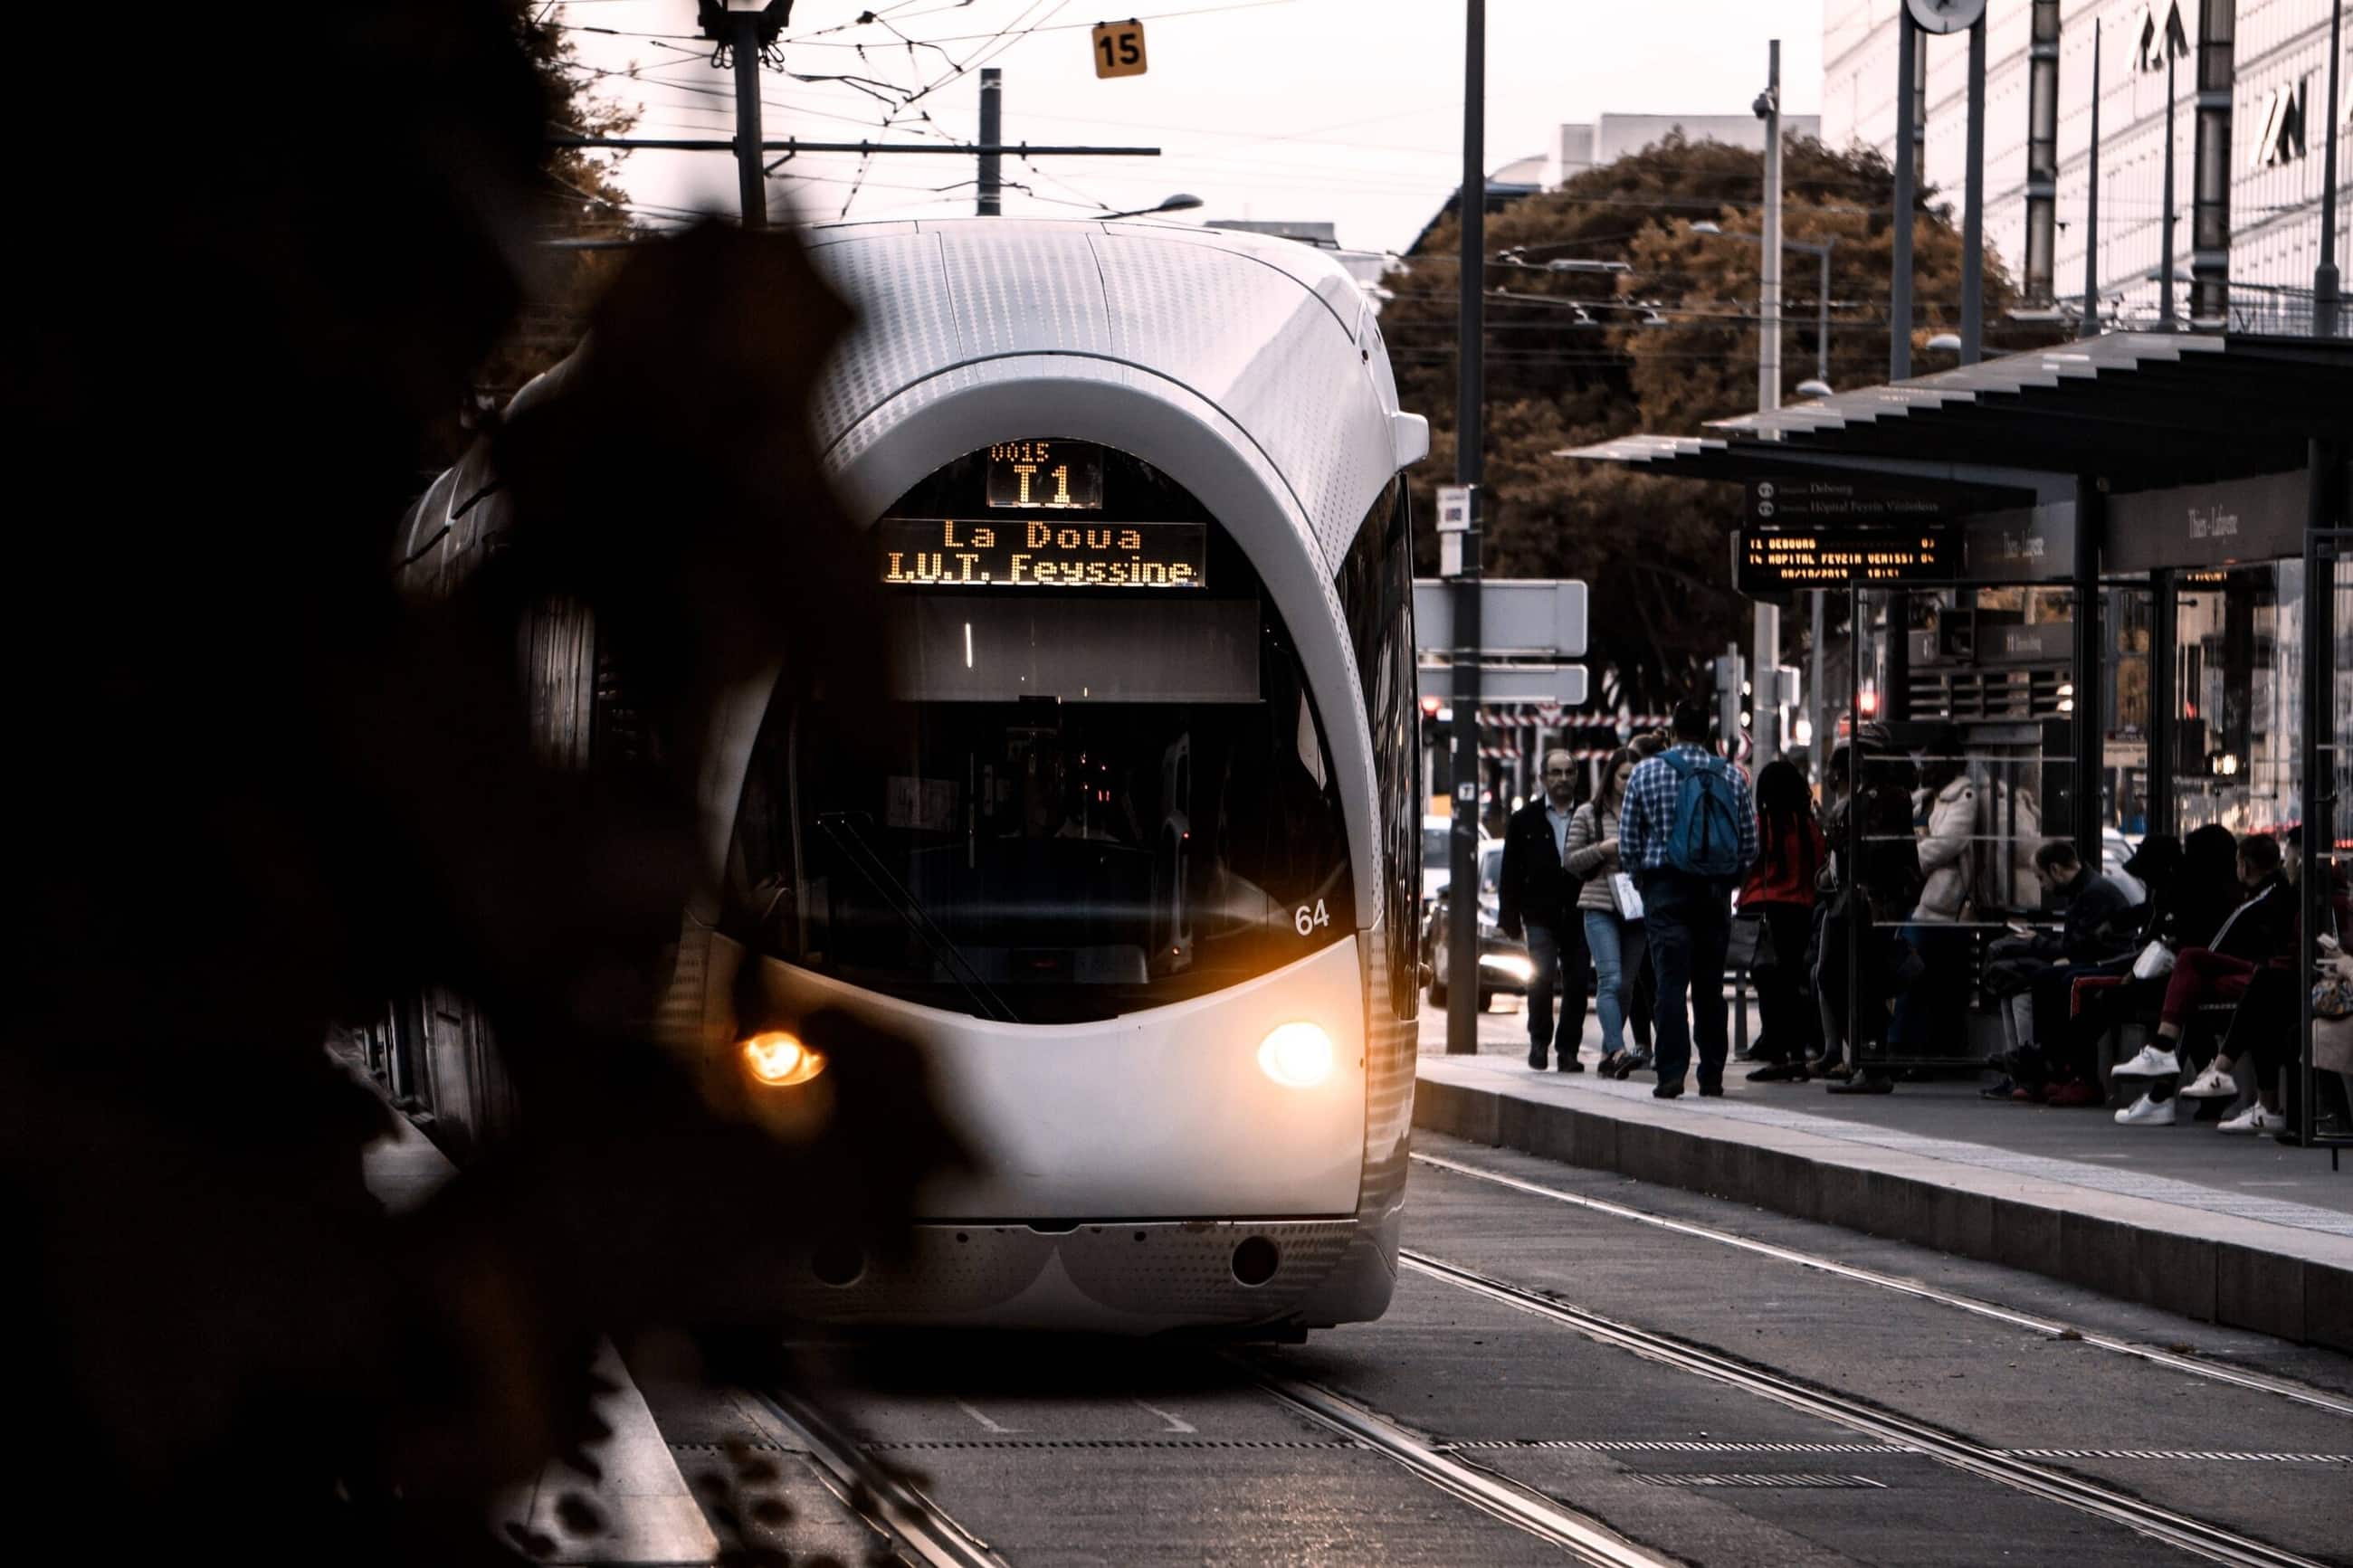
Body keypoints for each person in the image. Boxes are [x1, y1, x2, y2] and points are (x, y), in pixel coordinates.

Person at [1618, 702, 1758, 1098]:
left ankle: (1672, 1074)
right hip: (1714, 892)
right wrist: (1729, 878)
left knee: (1670, 985)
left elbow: (1629, 841)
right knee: (1711, 987)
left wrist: (1642, 880)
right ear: (1709, 731)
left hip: (1665, 890)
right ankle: (1712, 1075)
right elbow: (1750, 842)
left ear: (1674, 730)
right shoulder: (1732, 776)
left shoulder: (1646, 772)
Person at [2115, 832, 2296, 1126]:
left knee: (2189, 967)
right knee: (2189, 991)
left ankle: (2161, 1071)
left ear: (2245, 865)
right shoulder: (2265, 894)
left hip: (2260, 978)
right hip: (2258, 976)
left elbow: (2215, 950)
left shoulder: (2255, 901)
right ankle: (2165, 1090)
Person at [1977, 839, 2143, 1103]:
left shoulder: (2093, 893)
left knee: (2053, 981)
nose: (2042, 885)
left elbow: (2077, 946)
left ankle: (2051, 1067)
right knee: (2032, 978)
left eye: (2041, 877)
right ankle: (2035, 1066)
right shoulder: (2086, 890)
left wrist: (2035, 942)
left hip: (2104, 963)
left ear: (2055, 869)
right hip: (2093, 959)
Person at [1497, 748, 1592, 1071]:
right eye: (1556, 772)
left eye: (1568, 772)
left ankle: (1568, 1050)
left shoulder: (1588, 815)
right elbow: (1510, 870)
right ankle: (1539, 1041)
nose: (1562, 779)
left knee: (1578, 982)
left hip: (1581, 911)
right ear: (1543, 778)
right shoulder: (1525, 820)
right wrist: (1508, 917)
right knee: (1541, 978)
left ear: (1576, 776)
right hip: (1539, 913)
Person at [1739, 759, 1826, 1081]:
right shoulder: (1809, 828)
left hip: (1764, 910)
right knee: (1793, 980)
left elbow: (1746, 860)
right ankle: (1796, 1048)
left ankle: (1776, 1051)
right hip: (1801, 910)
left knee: (1766, 980)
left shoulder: (1762, 825)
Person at [1567, 746, 1646, 1075]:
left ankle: (1606, 1056)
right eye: (1624, 776)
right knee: (1610, 979)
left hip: (1635, 908)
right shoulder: (1589, 813)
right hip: (1600, 904)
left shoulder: (1646, 813)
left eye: (1634, 777)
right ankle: (1616, 1049)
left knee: (1626, 985)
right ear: (1611, 778)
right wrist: (1601, 849)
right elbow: (1570, 860)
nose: (1629, 783)